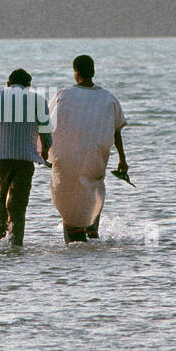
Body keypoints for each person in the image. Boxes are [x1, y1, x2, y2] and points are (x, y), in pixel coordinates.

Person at [48, 54, 128, 243]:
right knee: (91, 192)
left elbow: (47, 126)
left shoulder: (64, 95)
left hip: (67, 159)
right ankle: (92, 235)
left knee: (69, 199)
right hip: (95, 159)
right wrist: (122, 159)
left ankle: (76, 244)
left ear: (76, 73)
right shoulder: (108, 98)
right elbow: (116, 131)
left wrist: (43, 152)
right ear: (93, 72)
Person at [0, 68, 52, 246]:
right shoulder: (38, 100)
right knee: (19, 201)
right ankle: (16, 242)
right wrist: (46, 149)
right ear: (28, 86)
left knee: (2, 193)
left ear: (8, 84)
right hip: (25, 156)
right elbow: (46, 129)